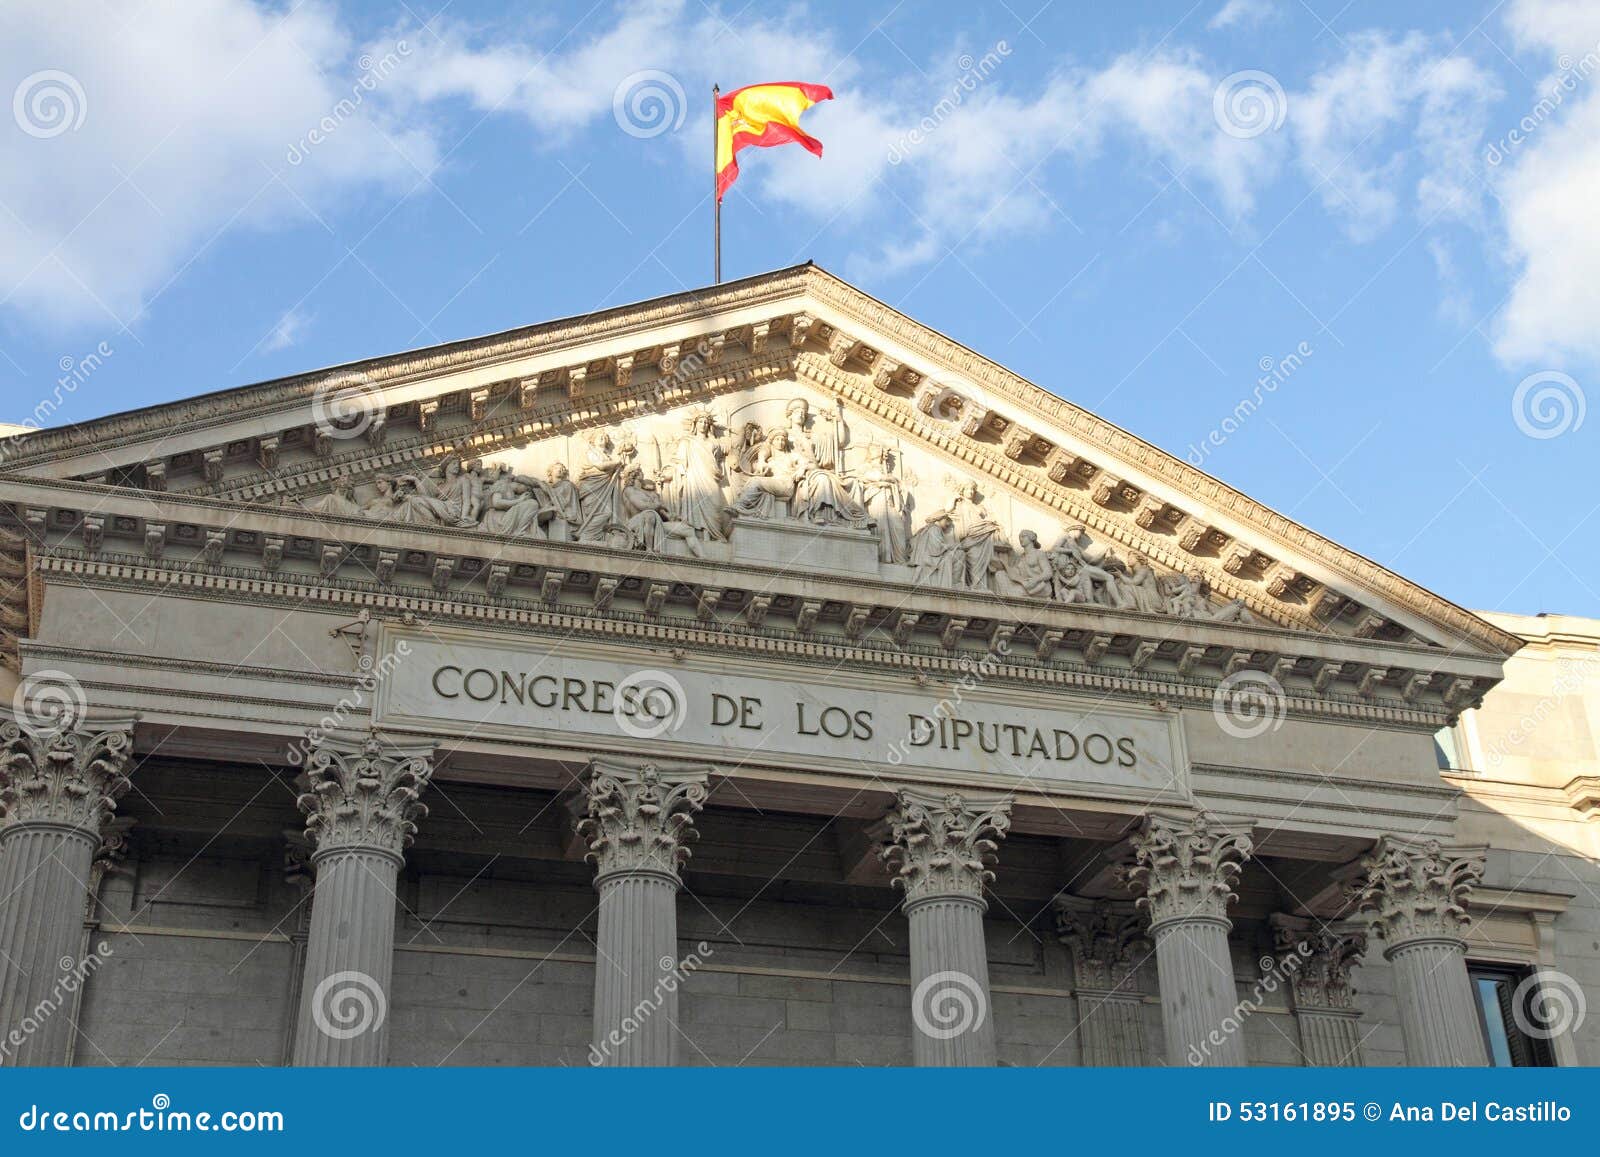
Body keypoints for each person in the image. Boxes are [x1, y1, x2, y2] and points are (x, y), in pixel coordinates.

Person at [667, 409, 729, 541]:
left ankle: (715, 533)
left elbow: (724, 454)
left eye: (706, 422)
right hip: (694, 478)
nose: (703, 424)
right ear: (695, 423)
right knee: (696, 504)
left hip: (711, 477)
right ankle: (702, 536)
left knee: (715, 504)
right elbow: (679, 462)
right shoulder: (687, 441)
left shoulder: (714, 443)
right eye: (701, 421)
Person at [621, 466, 703, 557]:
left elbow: (663, 515)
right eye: (640, 471)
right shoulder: (629, 490)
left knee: (688, 530)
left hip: (657, 523)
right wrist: (658, 505)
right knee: (649, 514)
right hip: (637, 522)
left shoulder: (649, 493)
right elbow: (642, 506)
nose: (642, 473)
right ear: (634, 474)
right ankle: (649, 549)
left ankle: (703, 558)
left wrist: (673, 517)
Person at [730, 429, 802, 519]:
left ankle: (740, 505)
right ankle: (742, 505)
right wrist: (761, 461)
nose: (780, 442)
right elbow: (763, 452)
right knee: (753, 481)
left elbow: (809, 464)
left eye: (783, 440)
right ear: (772, 442)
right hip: (775, 484)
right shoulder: (770, 458)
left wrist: (801, 469)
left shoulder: (791, 456)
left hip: (785, 485)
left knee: (756, 481)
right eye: (777, 439)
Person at [575, 430, 633, 543]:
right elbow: (600, 466)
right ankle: (586, 536)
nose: (602, 438)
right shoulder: (591, 452)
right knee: (596, 513)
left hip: (604, 487)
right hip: (592, 486)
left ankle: (595, 537)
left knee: (606, 513)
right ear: (593, 441)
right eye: (599, 437)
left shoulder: (607, 456)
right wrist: (616, 463)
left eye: (604, 437)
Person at [854, 445, 909, 563]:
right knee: (881, 525)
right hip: (876, 498)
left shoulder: (885, 469)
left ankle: (900, 559)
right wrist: (886, 479)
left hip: (890, 500)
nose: (878, 450)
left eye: (879, 449)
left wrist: (891, 480)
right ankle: (883, 558)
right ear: (870, 453)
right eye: (875, 449)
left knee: (898, 527)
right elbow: (869, 477)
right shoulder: (866, 466)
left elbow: (897, 484)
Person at [948, 480, 1005, 590]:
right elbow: (947, 510)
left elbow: (986, 516)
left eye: (973, 489)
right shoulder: (960, 504)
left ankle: (978, 586)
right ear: (963, 490)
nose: (971, 491)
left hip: (981, 537)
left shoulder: (979, 507)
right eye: (968, 489)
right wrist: (953, 499)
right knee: (973, 558)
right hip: (969, 536)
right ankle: (976, 585)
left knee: (981, 559)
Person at [479, 465, 549, 537]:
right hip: (498, 518)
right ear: (520, 483)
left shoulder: (514, 495)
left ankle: (521, 530)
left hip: (507, 517)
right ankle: (520, 531)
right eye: (527, 488)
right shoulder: (503, 484)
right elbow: (496, 503)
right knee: (532, 503)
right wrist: (519, 500)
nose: (527, 491)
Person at [992, 530, 1055, 599]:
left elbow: (1048, 573)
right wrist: (1003, 564)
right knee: (1000, 574)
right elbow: (1016, 573)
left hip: (1040, 586)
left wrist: (1035, 580)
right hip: (1026, 586)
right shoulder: (1021, 557)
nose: (1020, 539)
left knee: (1013, 592)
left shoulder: (1039, 554)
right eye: (1019, 537)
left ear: (1031, 538)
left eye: (1023, 536)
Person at [909, 510, 964, 588]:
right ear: (939, 519)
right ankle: (955, 583)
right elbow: (936, 549)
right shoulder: (935, 529)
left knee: (958, 553)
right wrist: (953, 546)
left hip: (929, 557)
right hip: (930, 558)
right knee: (960, 554)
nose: (948, 524)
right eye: (946, 520)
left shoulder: (931, 528)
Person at [543, 462, 582, 542]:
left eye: (562, 468)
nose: (560, 470)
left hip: (566, 513)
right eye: (557, 468)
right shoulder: (546, 486)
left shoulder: (567, 485)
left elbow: (565, 502)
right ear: (550, 472)